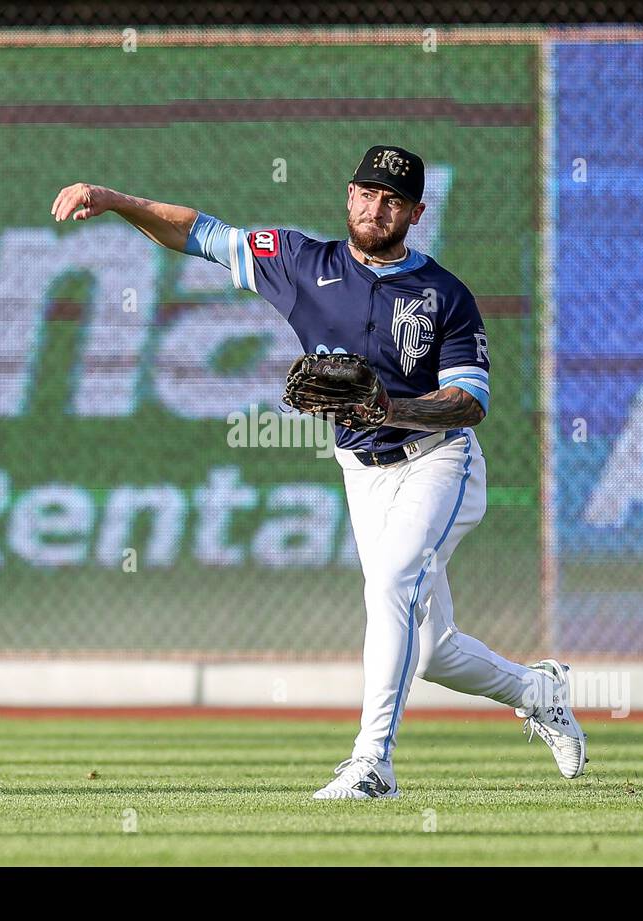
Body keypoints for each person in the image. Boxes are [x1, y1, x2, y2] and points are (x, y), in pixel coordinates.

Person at [50, 144, 587, 799]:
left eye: (393, 200)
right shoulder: (302, 262)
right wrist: (113, 200)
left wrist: (392, 407)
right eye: (368, 193)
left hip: (438, 460)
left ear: (416, 214)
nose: (377, 208)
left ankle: (372, 765)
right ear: (349, 195)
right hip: (362, 470)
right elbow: (200, 234)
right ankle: (539, 691)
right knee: (431, 650)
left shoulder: (445, 295)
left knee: (390, 586)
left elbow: (469, 402)